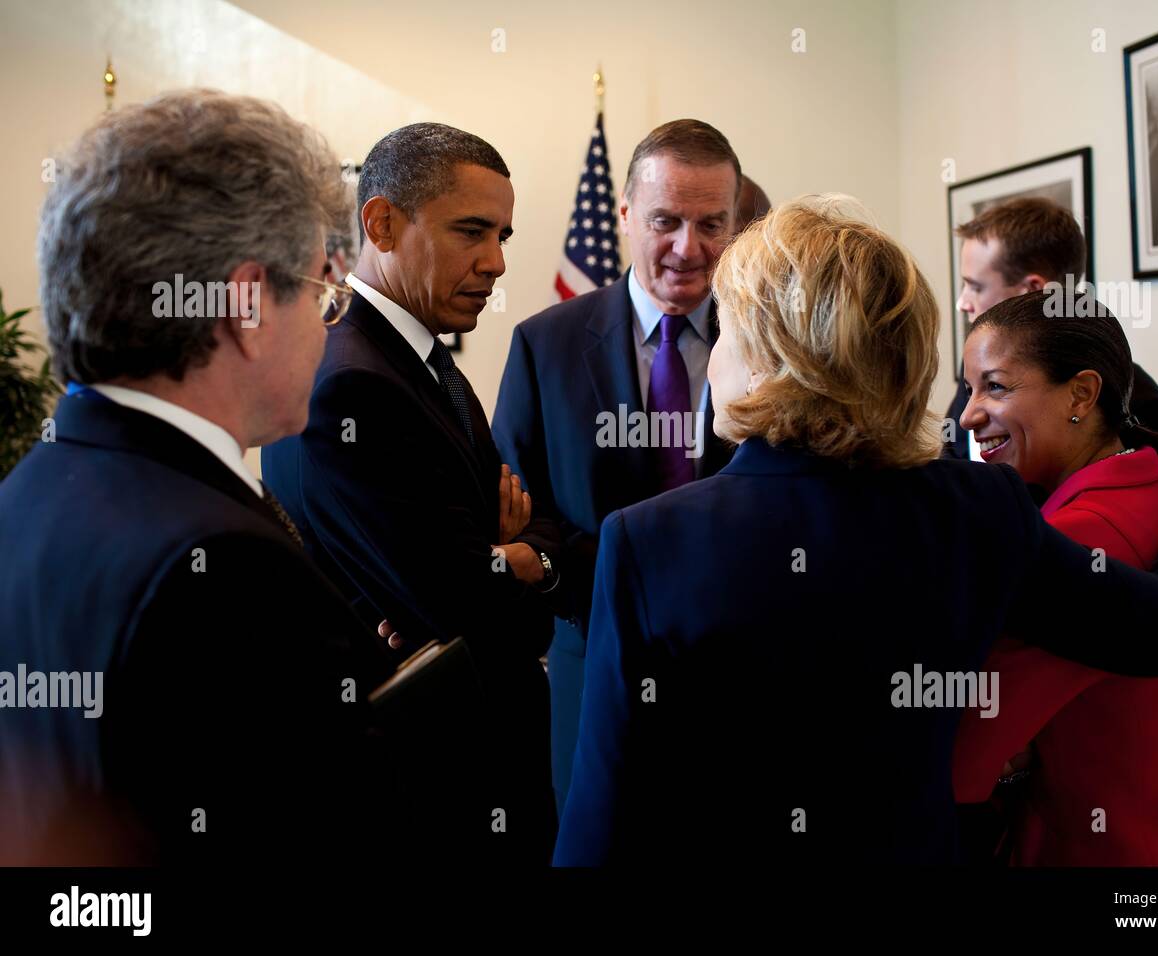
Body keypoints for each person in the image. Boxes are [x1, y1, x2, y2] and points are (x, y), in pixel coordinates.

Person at [553, 196, 1158, 866]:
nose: (714, 356)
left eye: (728, 329)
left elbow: (602, 819)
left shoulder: (648, 543)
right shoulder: (976, 511)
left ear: (772, 355)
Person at [0, 90, 398, 864]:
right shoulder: (224, 570)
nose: (330, 325)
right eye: (324, 291)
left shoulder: (23, 495)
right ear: (248, 303)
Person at [261, 123, 561, 861]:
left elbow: (527, 541)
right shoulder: (355, 383)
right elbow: (465, 604)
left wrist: (522, 556)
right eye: (471, 232)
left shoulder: (424, 362)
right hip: (430, 799)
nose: (494, 263)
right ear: (382, 223)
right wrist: (519, 562)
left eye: (503, 236)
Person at [950, 290, 1158, 865]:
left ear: (1081, 393)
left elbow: (960, 762)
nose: (967, 414)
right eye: (970, 387)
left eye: (995, 386)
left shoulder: (1078, 539)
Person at [492, 120, 739, 815]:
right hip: (590, 654)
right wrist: (575, 574)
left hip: (737, 667)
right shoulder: (546, 344)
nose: (689, 249)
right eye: (665, 220)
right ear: (625, 213)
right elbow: (518, 498)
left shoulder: (771, 342)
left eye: (711, 224)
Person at [943, 197, 1158, 462]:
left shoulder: (1137, 401)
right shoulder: (977, 372)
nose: (962, 303)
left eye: (975, 287)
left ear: (1034, 290)